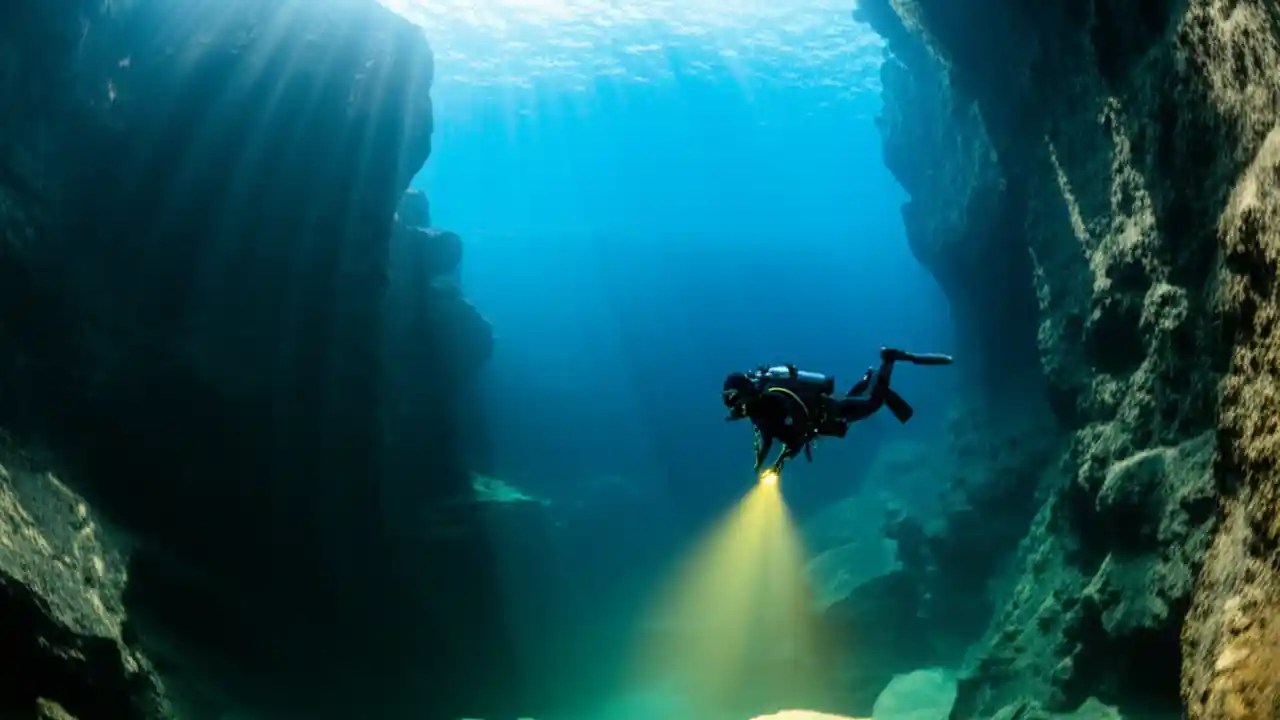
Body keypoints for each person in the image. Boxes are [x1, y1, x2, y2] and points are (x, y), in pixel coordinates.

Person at [722, 347, 953, 477]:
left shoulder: (774, 398)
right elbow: (768, 437)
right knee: (853, 410)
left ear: (746, 394)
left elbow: (798, 431)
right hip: (826, 416)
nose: (739, 410)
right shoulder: (758, 412)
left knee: (871, 404)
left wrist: (780, 463)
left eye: (738, 403)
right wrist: (760, 462)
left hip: (829, 411)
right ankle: (867, 379)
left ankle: (887, 362)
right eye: (735, 406)